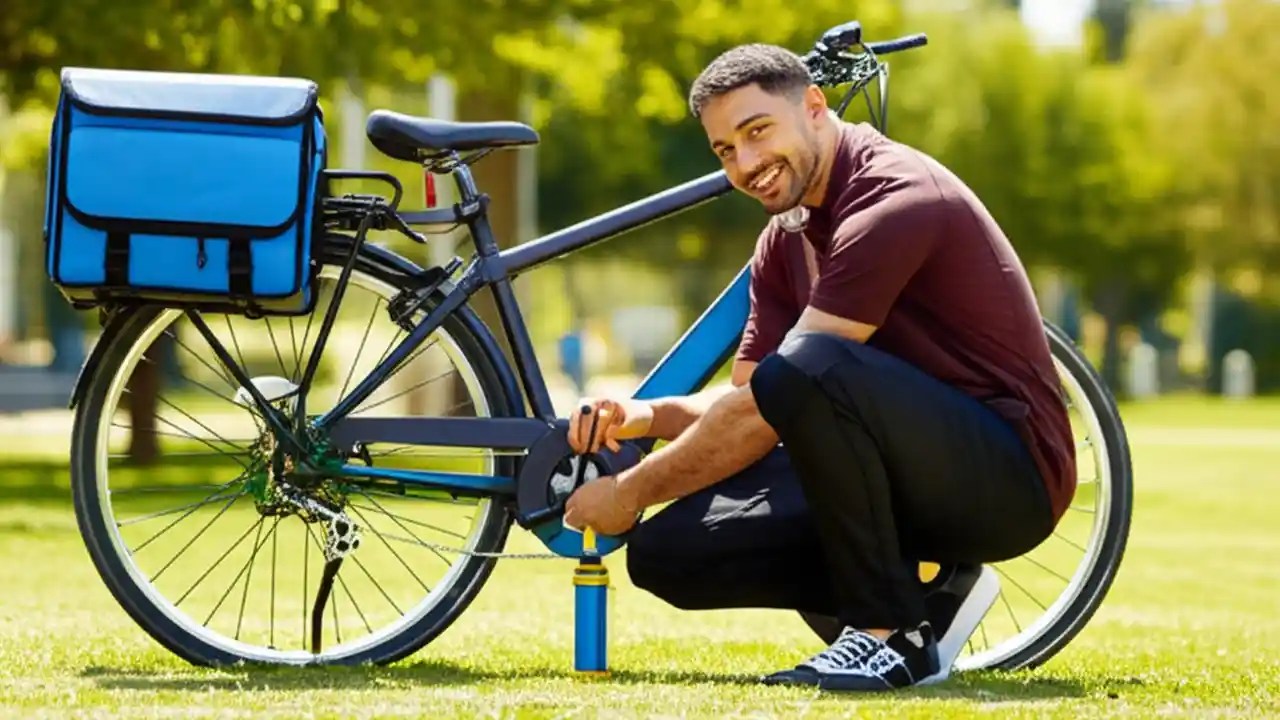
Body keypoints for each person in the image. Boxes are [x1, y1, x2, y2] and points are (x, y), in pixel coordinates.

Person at [561, 42, 1076, 692]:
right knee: (668, 554)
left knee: (809, 361)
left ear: (812, 106)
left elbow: (787, 388)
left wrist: (630, 493)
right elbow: (761, 402)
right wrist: (648, 416)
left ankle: (886, 635)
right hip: (890, 474)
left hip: (1006, 478)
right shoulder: (782, 240)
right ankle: (935, 589)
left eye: (756, 132)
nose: (746, 165)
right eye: (725, 150)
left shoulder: (896, 197)